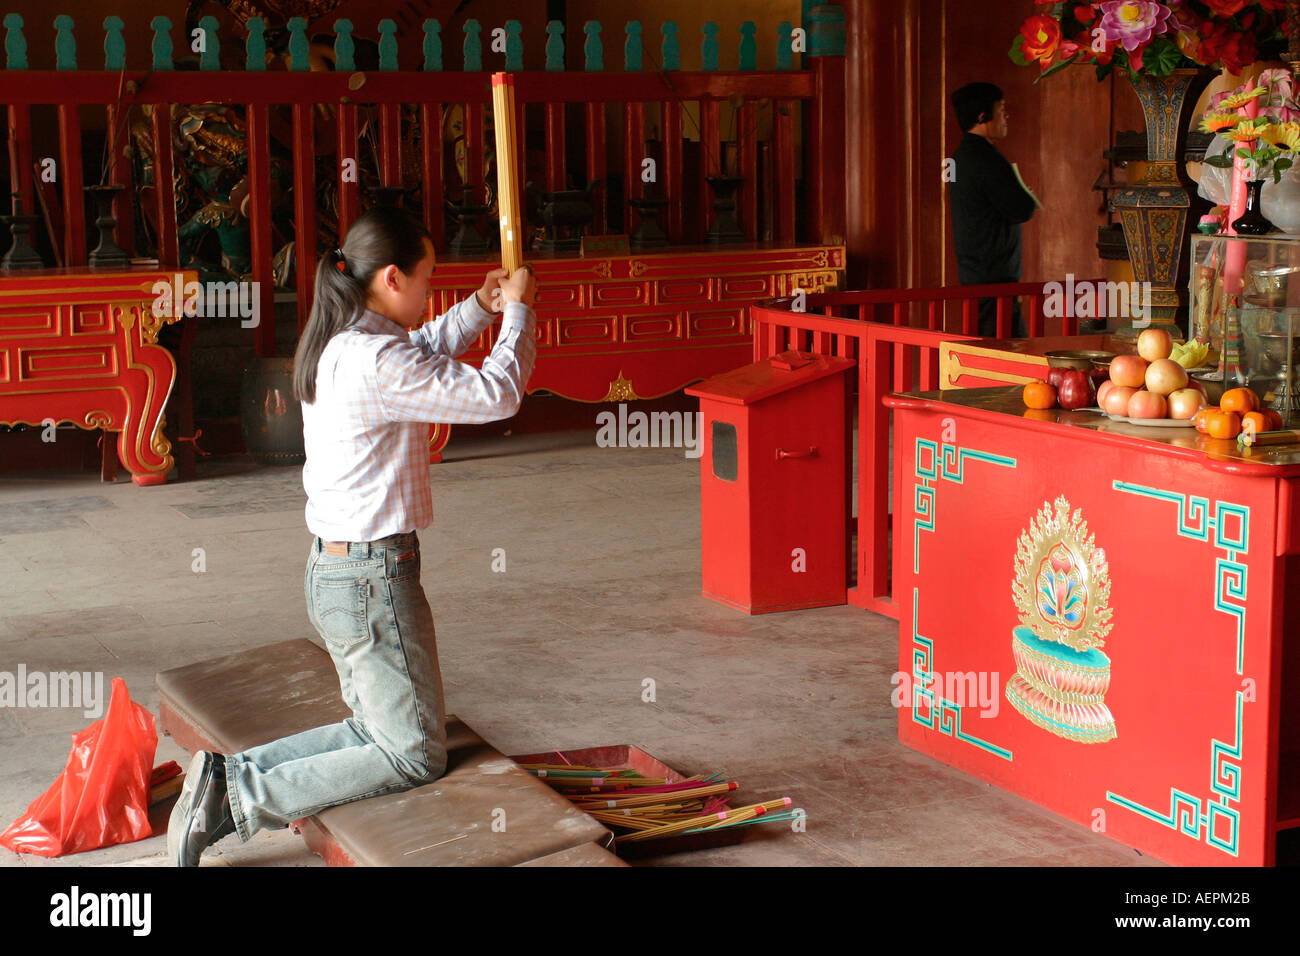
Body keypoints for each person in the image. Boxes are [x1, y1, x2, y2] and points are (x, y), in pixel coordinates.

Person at [167, 206, 538, 866]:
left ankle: (225, 777)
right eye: (427, 279)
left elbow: (419, 351)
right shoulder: (374, 358)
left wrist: (479, 310)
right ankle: (238, 796)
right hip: (372, 580)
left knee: (380, 731)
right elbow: (497, 394)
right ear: (392, 278)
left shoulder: (345, 338)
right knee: (412, 752)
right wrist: (517, 314)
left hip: (340, 573)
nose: (431, 294)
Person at [948, 82, 1039, 338]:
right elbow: (1021, 208)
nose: (1006, 117)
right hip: (993, 277)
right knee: (1004, 350)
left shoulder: (961, 156)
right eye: (1001, 110)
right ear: (982, 116)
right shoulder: (985, 158)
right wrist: (1027, 194)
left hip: (975, 272)